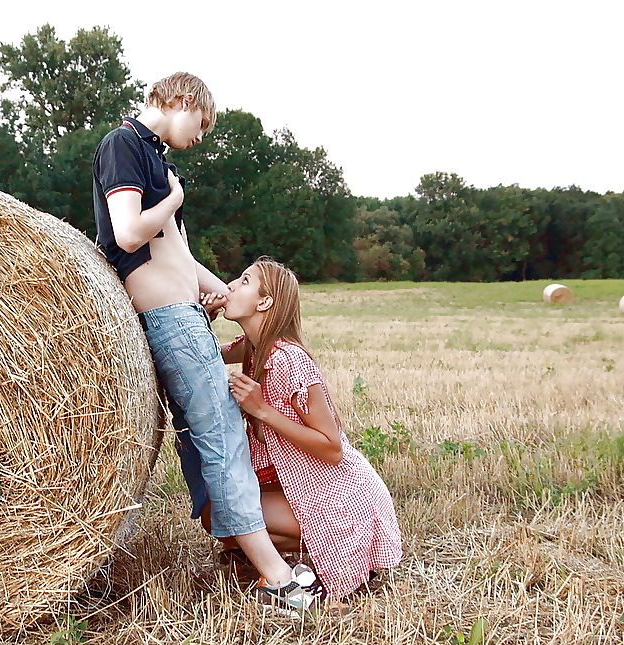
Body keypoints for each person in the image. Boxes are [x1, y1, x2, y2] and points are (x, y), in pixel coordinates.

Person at [92, 73, 320, 616]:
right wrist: (173, 199)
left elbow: (174, 255)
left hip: (184, 312)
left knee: (213, 441)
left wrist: (218, 289)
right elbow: (128, 234)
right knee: (224, 442)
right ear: (181, 101)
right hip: (170, 318)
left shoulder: (149, 154)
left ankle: (249, 558)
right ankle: (276, 579)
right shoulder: (124, 144)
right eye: (203, 122)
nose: (202, 134)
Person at [206, 257, 403, 612]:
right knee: (215, 514)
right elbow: (205, 358)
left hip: (342, 496)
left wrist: (261, 409)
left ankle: (327, 559)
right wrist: (204, 318)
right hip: (312, 488)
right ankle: (297, 556)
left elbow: (331, 448)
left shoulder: (290, 360)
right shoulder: (252, 347)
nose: (231, 285)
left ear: (264, 302)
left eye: (245, 281)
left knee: (229, 513)